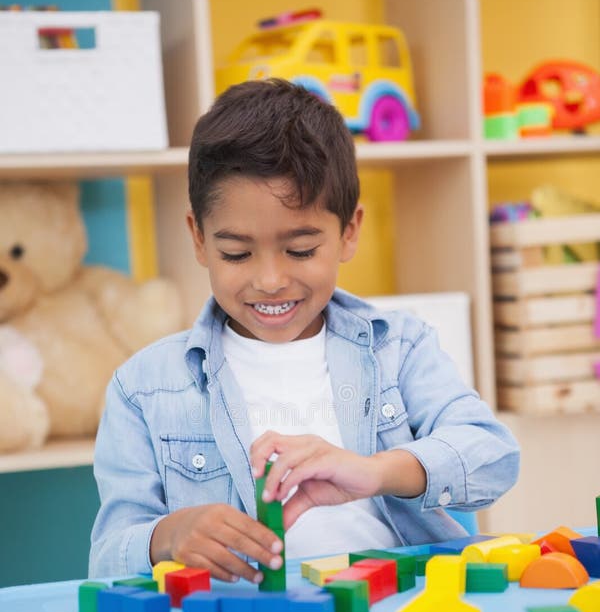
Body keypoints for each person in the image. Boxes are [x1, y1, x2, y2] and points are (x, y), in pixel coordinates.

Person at [89, 79, 519, 582]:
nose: (270, 281)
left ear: (349, 232)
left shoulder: (400, 348)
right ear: (199, 239)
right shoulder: (143, 388)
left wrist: (375, 471)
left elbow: (493, 456)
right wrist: (168, 534)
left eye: (300, 251)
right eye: (236, 253)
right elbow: (105, 558)